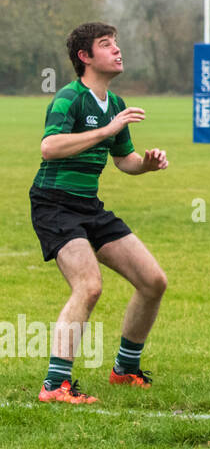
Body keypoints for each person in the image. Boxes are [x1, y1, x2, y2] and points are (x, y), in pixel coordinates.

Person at [30, 23, 169, 404]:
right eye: (106, 45)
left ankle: (125, 370)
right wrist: (105, 129)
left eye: (117, 44)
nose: (117, 50)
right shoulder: (69, 98)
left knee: (153, 280)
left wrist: (148, 165)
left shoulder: (116, 104)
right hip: (53, 204)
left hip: (88, 206)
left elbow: (124, 159)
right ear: (85, 57)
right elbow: (50, 147)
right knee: (89, 286)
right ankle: (55, 385)